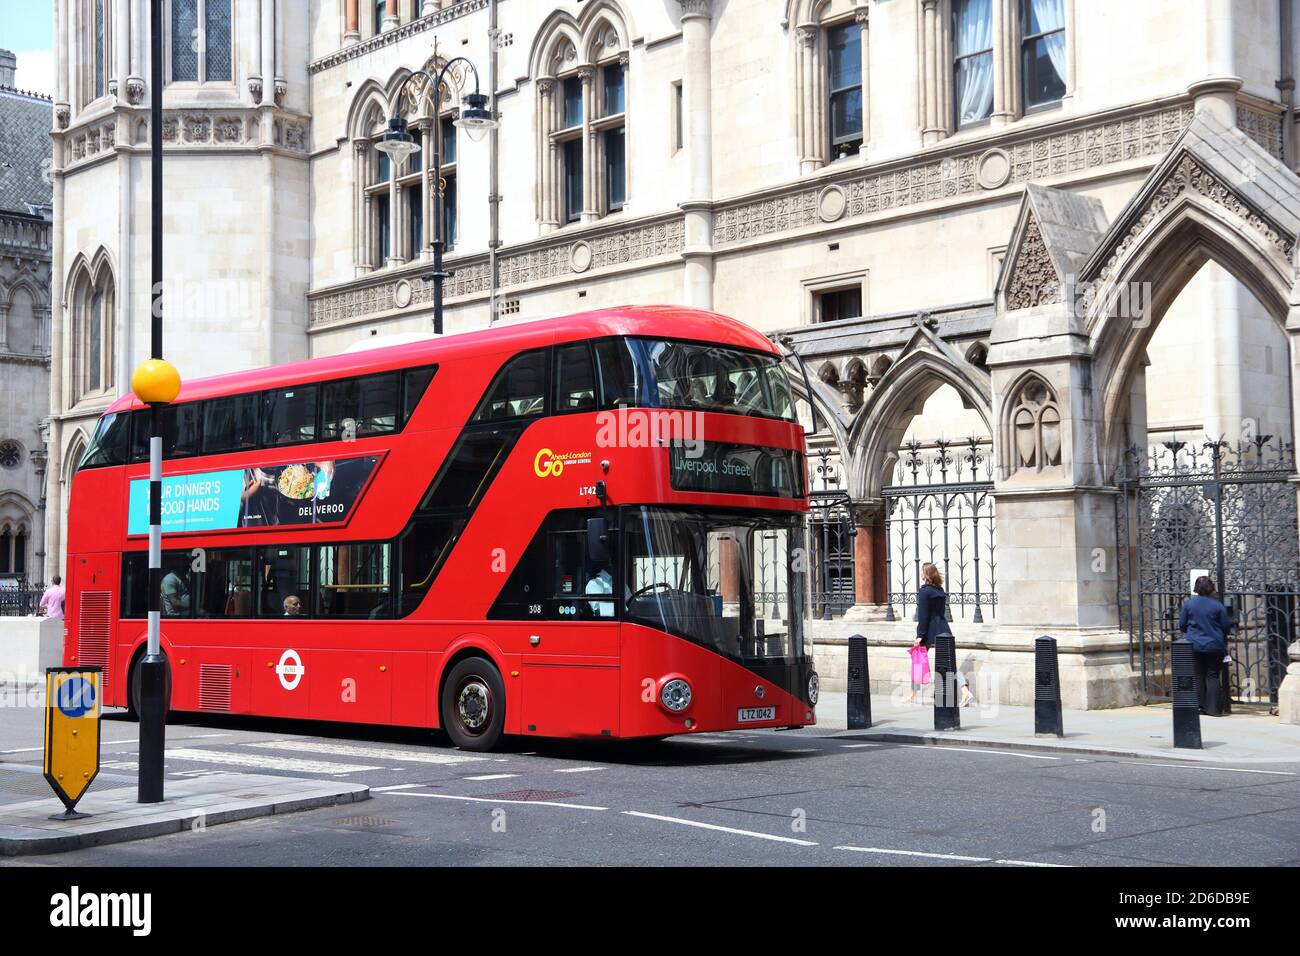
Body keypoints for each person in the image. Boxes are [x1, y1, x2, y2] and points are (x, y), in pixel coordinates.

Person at [913, 562, 974, 706]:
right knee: (950, 664)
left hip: (929, 630)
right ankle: (965, 692)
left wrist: (920, 634)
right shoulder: (940, 591)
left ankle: (913, 694)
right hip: (943, 628)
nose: (921, 574)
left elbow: (923, 615)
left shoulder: (924, 592)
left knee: (918, 661)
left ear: (926, 574)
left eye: (922, 571)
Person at [1178, 575, 1233, 716]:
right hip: (1214, 645)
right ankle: (1214, 709)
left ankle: (1200, 707)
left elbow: (1182, 626)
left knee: (1198, 675)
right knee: (1213, 676)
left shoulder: (1189, 605)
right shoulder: (1217, 606)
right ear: (1211, 588)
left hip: (1194, 645)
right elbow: (1226, 626)